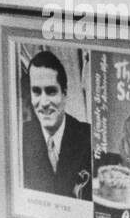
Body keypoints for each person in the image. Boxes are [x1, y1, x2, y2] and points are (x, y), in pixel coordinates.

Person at [21, 49, 92, 199]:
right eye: (36, 92)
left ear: (64, 94)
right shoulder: (20, 138)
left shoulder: (88, 137)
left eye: (51, 91)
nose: (44, 103)